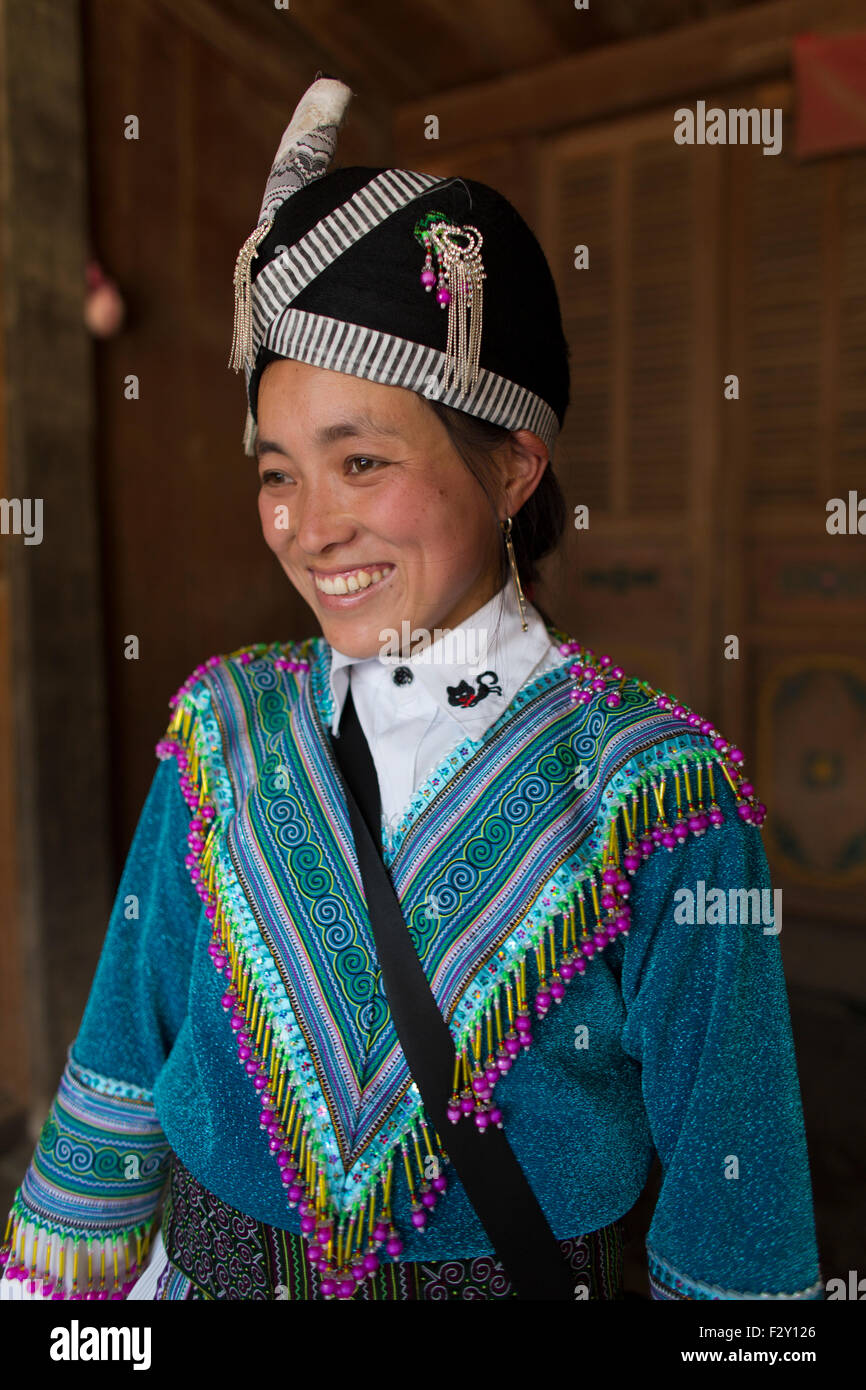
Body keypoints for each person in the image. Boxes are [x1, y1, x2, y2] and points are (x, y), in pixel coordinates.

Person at [0, 76, 822, 1303]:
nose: (306, 526)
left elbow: (733, 1221)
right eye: (278, 472)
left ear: (512, 466)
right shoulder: (222, 727)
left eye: (362, 462)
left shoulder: (661, 798)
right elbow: (123, 1057)